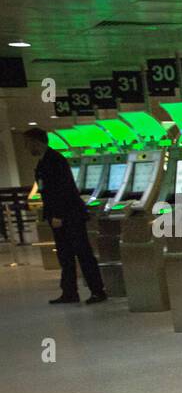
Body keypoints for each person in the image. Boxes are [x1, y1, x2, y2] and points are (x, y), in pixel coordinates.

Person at [23, 128, 107, 305]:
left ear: (36, 142)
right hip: (60, 216)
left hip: (69, 216)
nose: (26, 147)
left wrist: (58, 215)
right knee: (65, 255)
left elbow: (64, 189)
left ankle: (97, 290)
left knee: (83, 254)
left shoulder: (55, 161)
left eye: (28, 143)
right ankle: (69, 292)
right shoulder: (44, 161)